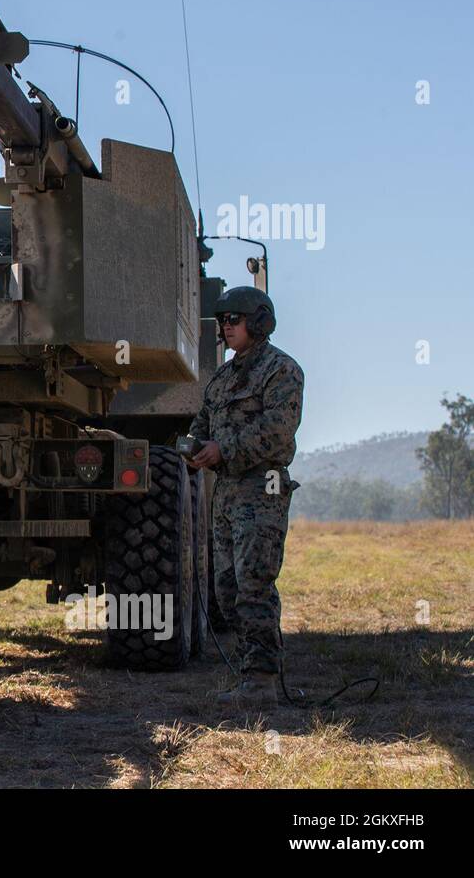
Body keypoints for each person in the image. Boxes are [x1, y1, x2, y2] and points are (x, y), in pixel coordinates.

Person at [187, 285, 303, 709]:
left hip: (262, 489)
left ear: (258, 322)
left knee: (254, 584)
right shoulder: (223, 377)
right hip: (227, 492)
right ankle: (248, 672)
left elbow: (277, 430)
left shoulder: (282, 370)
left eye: (234, 319)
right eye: (222, 321)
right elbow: (202, 422)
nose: (226, 327)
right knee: (226, 588)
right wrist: (193, 447)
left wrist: (225, 450)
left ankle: (261, 681)